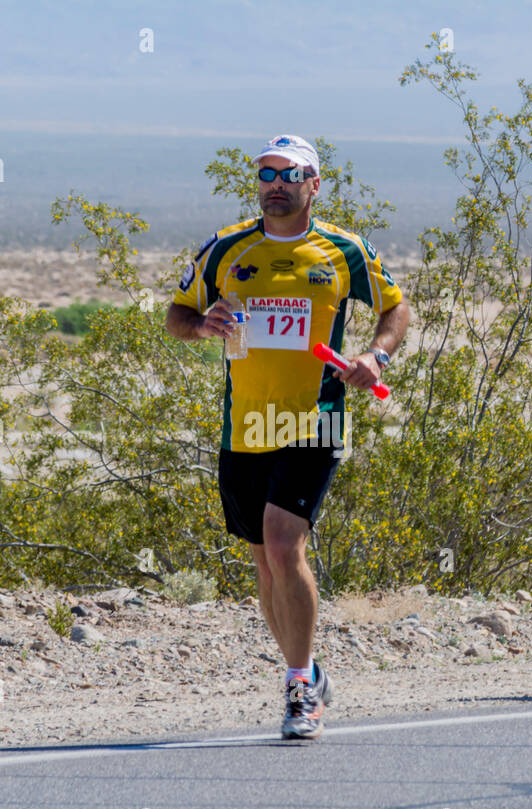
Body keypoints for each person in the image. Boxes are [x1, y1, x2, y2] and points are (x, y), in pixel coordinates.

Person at [165, 134, 410, 738]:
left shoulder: (344, 250)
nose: (275, 183)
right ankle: (307, 671)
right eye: (266, 172)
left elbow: (396, 309)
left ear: (314, 184)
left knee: (282, 543)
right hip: (245, 420)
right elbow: (177, 316)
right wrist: (204, 325)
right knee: (265, 565)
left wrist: (374, 359)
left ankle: (299, 690)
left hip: (314, 417)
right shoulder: (226, 246)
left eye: (289, 173)